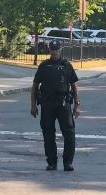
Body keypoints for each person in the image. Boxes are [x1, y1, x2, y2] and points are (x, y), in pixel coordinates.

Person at [30, 40, 80, 171]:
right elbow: (35, 86)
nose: (54, 51)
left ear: (60, 50)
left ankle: (68, 163)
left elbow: (74, 86)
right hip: (47, 103)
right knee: (48, 134)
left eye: (56, 49)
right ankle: (52, 162)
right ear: (49, 50)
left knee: (69, 133)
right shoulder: (44, 66)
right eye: (52, 49)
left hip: (63, 103)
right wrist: (33, 105)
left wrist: (77, 105)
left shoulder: (66, 65)